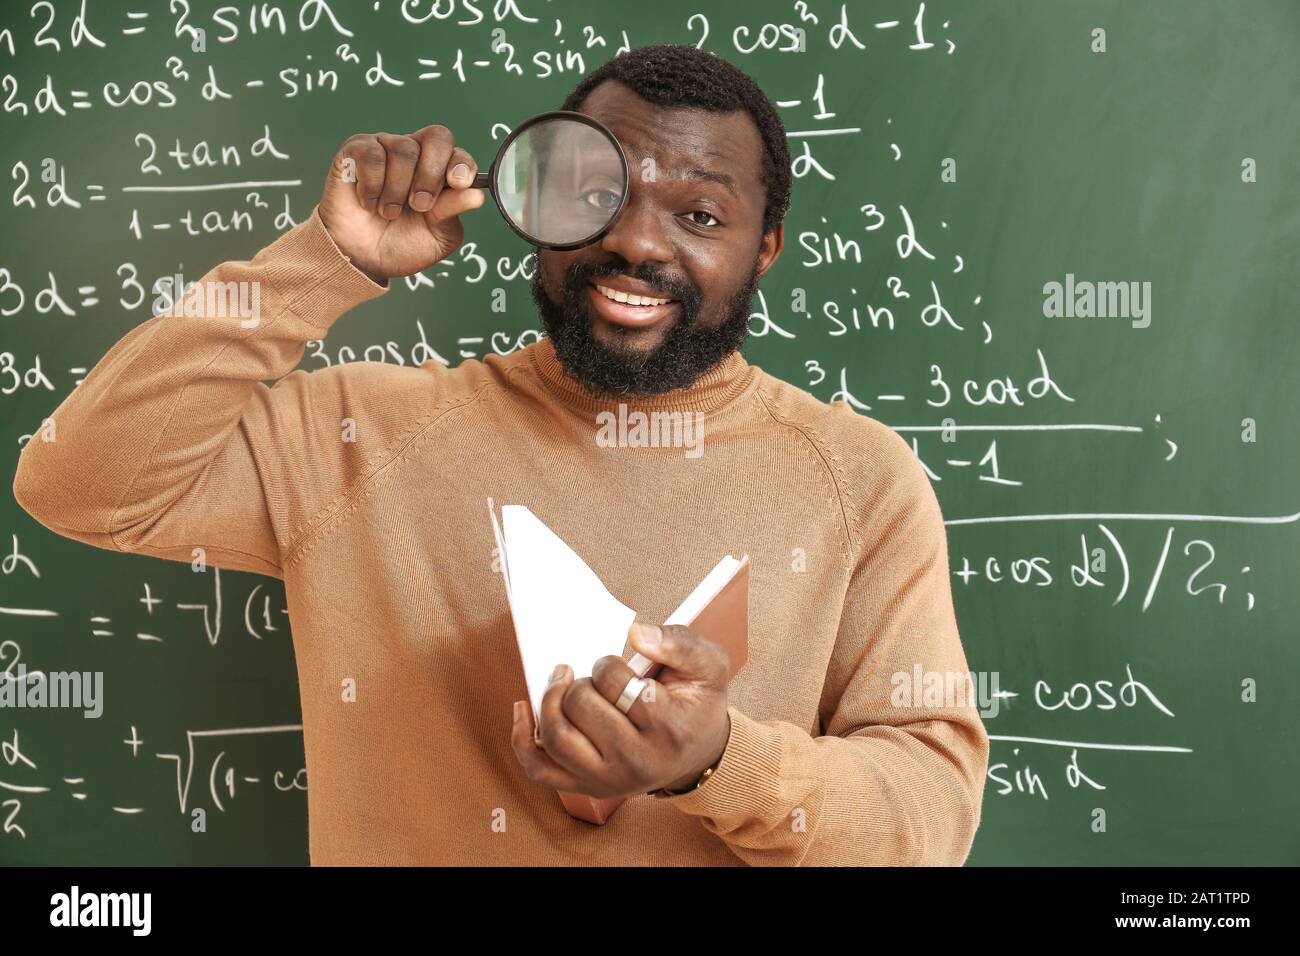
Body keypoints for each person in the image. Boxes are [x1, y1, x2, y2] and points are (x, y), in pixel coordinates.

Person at [13, 43, 988, 866]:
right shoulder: (357, 434)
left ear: (764, 247)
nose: (637, 241)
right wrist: (326, 259)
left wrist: (715, 761)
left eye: (699, 214)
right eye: (595, 193)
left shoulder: (860, 477)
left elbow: (931, 818)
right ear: (536, 202)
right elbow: (78, 483)